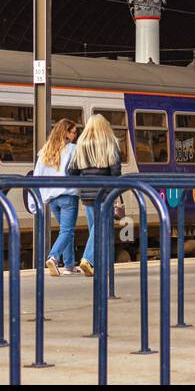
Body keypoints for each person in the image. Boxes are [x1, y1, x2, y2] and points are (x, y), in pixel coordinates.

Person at [66, 113, 122, 277]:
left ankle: (97, 265)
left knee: (94, 230)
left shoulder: (81, 145)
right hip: (104, 194)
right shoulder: (109, 144)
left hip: (87, 195)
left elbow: (71, 172)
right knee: (100, 229)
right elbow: (116, 171)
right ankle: (88, 259)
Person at [34, 119, 79, 275]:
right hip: (68, 196)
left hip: (52, 199)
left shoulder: (45, 151)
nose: (75, 135)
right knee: (67, 231)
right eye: (73, 132)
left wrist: (37, 200)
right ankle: (53, 257)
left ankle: (69, 265)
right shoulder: (73, 149)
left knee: (65, 231)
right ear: (65, 132)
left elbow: (37, 175)